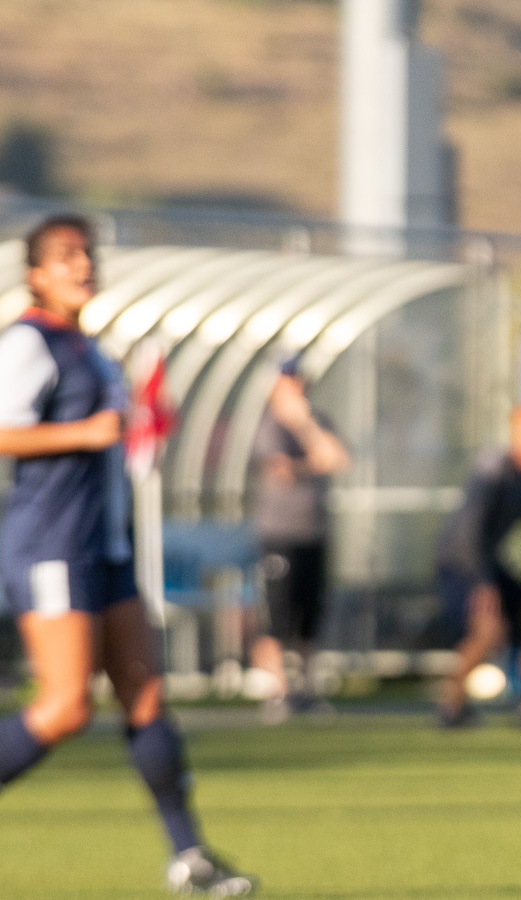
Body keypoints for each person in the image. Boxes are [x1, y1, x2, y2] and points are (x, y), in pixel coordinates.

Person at [0, 214, 256, 896]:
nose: (83, 265)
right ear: (35, 274)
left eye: (86, 254)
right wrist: (85, 430)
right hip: (51, 547)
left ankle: (190, 857)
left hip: (104, 546)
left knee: (145, 697)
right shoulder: (27, 342)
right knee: (64, 707)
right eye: (65, 257)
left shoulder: (87, 347)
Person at [434, 403, 521, 728]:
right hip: (461, 561)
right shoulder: (495, 470)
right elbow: (470, 533)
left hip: (490, 561)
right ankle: (451, 704)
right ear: (519, 433)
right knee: (489, 630)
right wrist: (484, 587)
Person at [248, 353, 349, 721]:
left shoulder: (315, 422)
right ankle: (280, 693)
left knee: (309, 618)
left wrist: (306, 425)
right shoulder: (271, 426)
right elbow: (282, 471)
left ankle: (305, 692)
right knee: (277, 617)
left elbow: (337, 459)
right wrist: (312, 461)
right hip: (280, 535)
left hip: (314, 533)